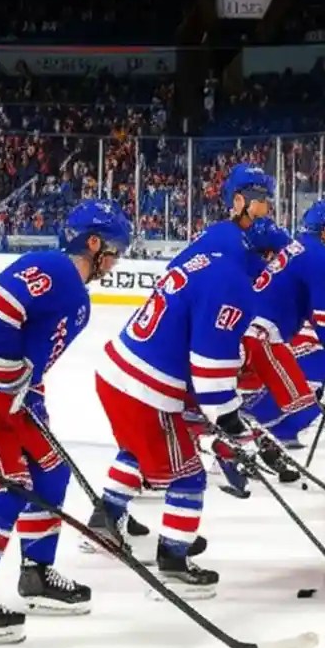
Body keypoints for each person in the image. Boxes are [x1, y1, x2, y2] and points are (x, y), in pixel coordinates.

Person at [0, 199, 132, 643]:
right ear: (93, 243)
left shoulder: (77, 299)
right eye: (114, 249)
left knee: (50, 470)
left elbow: (31, 366)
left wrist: (30, 401)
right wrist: (4, 370)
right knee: (7, 487)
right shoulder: (52, 268)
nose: (115, 261)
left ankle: (36, 575)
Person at [89, 186, 277, 599]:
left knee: (138, 451)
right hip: (145, 387)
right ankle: (173, 560)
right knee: (187, 474)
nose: (271, 268)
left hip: (116, 369)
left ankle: (105, 519)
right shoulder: (235, 283)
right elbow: (209, 374)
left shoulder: (211, 255)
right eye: (271, 258)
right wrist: (233, 425)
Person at [241, 201, 325, 450]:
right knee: (315, 373)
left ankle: (258, 426)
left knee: (309, 371)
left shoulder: (300, 249)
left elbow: (315, 313)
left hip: (251, 333)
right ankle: (254, 427)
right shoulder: (323, 259)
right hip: (261, 337)